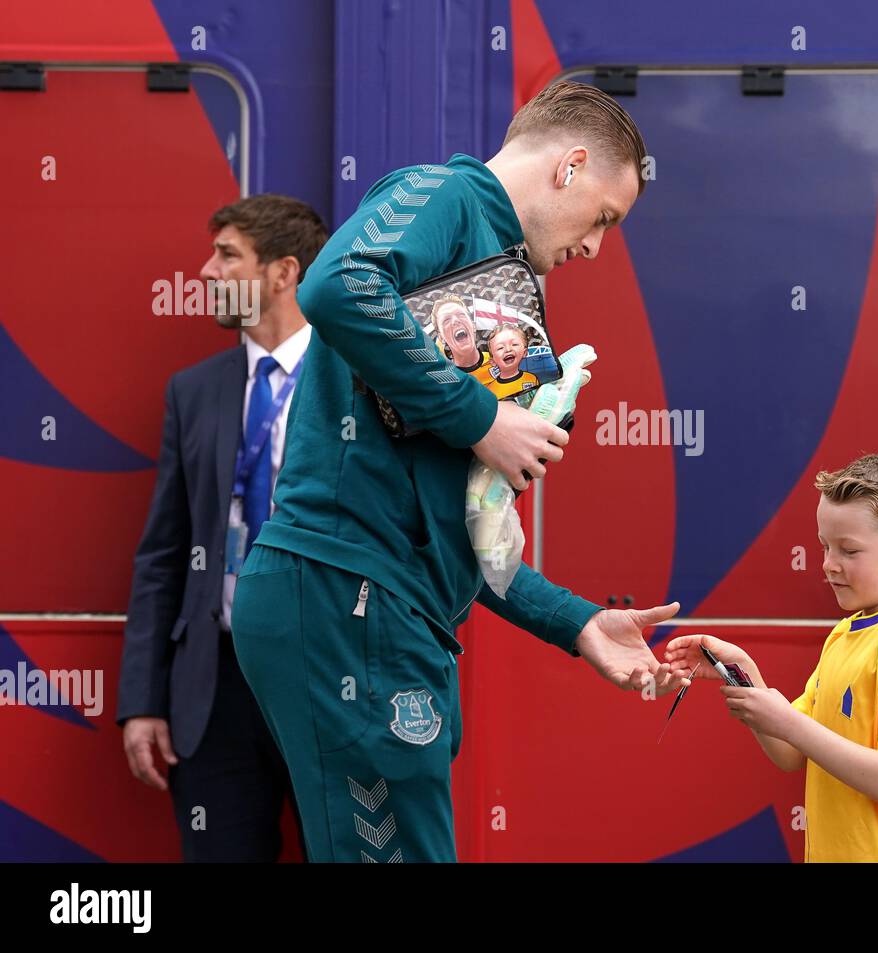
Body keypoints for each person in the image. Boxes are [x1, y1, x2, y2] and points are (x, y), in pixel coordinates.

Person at [230, 81, 687, 863]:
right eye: (605, 218)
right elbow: (335, 284)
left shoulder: (506, 281)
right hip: (351, 600)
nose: (596, 248)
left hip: (388, 614)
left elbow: (468, 527)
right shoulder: (442, 193)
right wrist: (483, 419)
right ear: (570, 166)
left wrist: (576, 622)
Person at [117, 195, 328, 861]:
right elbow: (164, 554)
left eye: (227, 255)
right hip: (217, 689)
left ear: (283, 272)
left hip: (328, 679)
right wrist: (142, 700)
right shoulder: (195, 390)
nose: (206, 272)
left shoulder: (355, 381)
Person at [666, 452, 878, 862]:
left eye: (849, 551)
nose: (829, 564)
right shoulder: (844, 635)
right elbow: (791, 753)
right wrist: (744, 676)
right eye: (825, 546)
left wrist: (788, 722)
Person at [483, 325, 540, 399]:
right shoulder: (490, 390)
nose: (508, 349)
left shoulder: (531, 378)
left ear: (525, 352)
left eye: (514, 344)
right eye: (500, 348)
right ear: (493, 361)